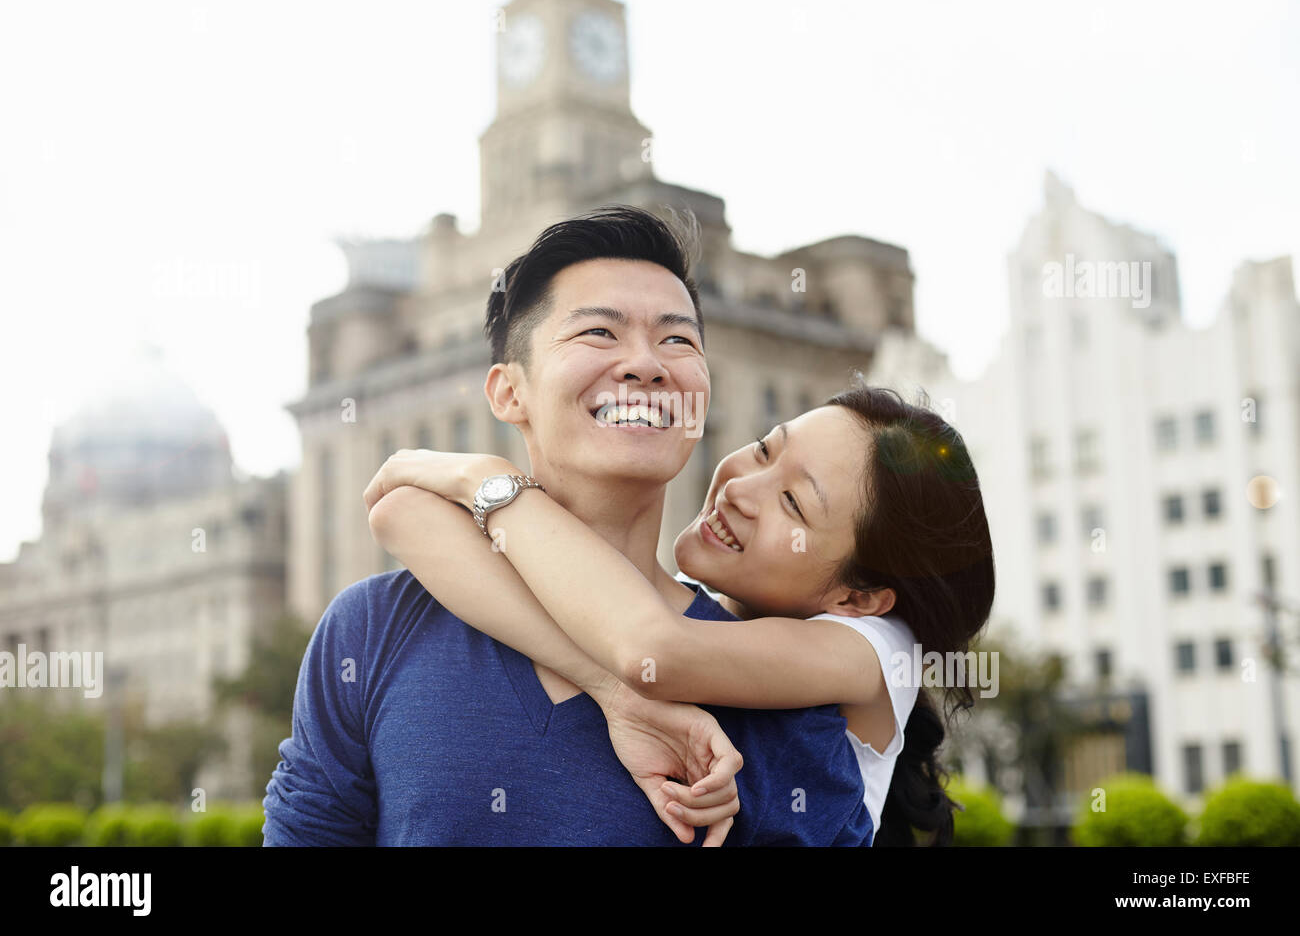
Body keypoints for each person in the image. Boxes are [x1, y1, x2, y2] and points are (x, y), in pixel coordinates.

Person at [263, 205, 875, 845]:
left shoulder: (770, 685)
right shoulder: (373, 629)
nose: (646, 364)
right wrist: (620, 694)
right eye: (599, 334)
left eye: (678, 340)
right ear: (507, 393)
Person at [367, 381, 995, 845]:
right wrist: (613, 693)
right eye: (762, 448)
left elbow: (653, 653)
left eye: (794, 504)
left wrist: (485, 477)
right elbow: (402, 515)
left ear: (858, 597)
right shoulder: (696, 610)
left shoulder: (877, 648)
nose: (741, 489)